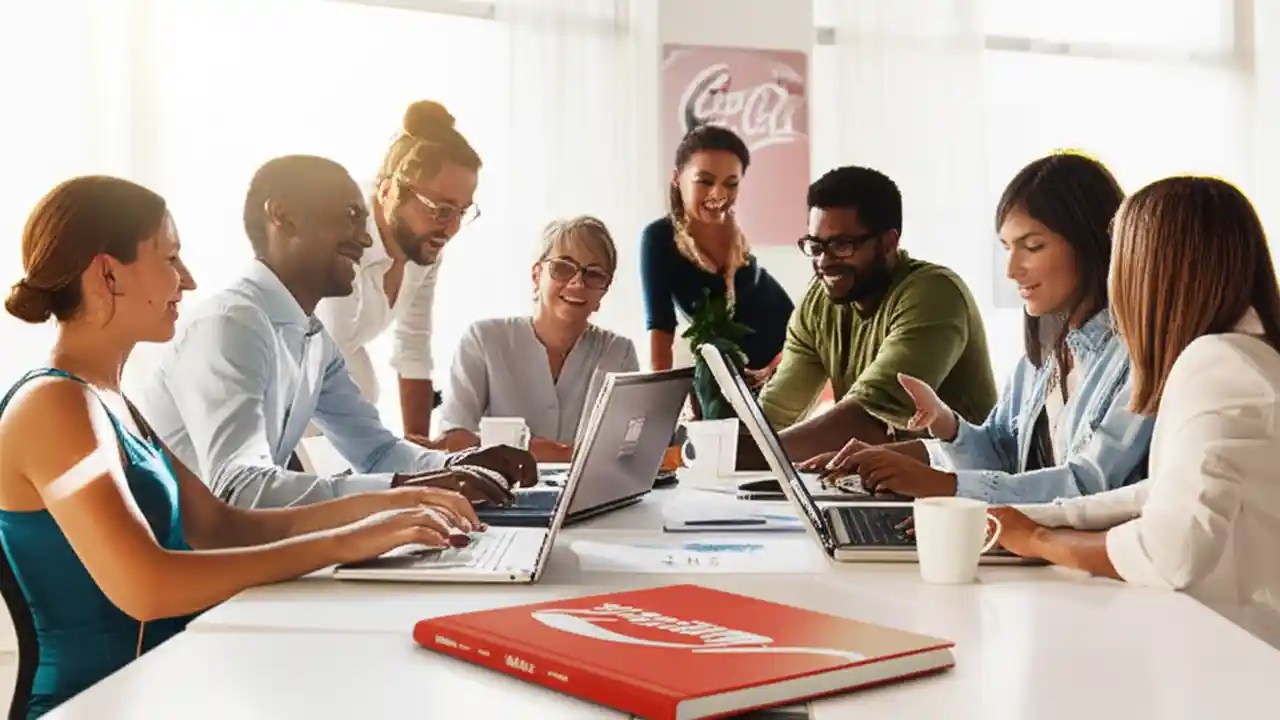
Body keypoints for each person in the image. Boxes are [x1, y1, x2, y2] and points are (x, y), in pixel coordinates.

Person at [0, 176, 482, 718]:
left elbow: (221, 526)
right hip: (95, 705)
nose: (186, 279)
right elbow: (147, 586)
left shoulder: (111, 401)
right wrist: (343, 543)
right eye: (170, 257)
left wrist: (388, 506)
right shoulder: (55, 407)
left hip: (164, 685)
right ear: (107, 272)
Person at [132, 155, 536, 510]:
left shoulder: (312, 339)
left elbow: (378, 452)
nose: (364, 238)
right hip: (194, 572)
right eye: (350, 216)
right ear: (283, 217)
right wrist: (408, 489)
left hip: (245, 561)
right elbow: (239, 490)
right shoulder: (229, 326)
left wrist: (458, 464)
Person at [990, 176, 1280, 650]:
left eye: (1123, 263)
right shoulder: (1238, 355)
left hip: (1247, 658)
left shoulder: (1218, 365)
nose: (1115, 283)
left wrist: (1042, 541)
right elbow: (1166, 493)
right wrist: (1031, 519)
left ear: (1158, 271)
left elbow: (1174, 550)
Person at [804, 153, 1154, 503]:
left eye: (1032, 247)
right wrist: (947, 425)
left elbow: (1090, 486)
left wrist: (944, 485)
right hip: (1025, 545)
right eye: (1007, 248)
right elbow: (1001, 457)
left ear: (1090, 242)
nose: (1012, 269)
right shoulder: (1042, 357)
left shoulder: (1139, 356)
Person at [749, 166, 997, 466]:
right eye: (816, 246)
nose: (824, 262)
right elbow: (776, 411)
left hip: (960, 497)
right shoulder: (819, 301)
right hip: (880, 491)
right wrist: (712, 448)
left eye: (842, 245)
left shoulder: (934, 294)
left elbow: (867, 422)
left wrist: (745, 455)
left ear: (889, 242)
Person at [314, 100, 481, 444]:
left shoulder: (425, 244)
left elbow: (413, 345)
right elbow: (334, 351)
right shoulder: (341, 230)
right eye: (441, 209)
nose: (451, 229)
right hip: (280, 396)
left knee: (363, 385)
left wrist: (419, 447)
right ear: (388, 189)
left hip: (325, 399)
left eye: (462, 212)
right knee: (361, 383)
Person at [435, 216, 638, 462]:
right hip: (499, 494)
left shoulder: (620, 352)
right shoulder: (484, 339)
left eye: (594, 274)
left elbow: (626, 450)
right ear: (536, 276)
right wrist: (554, 453)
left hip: (591, 498)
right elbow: (455, 438)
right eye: (563, 267)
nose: (577, 282)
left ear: (604, 290)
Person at [640, 124, 793, 386]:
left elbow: (783, 317)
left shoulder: (735, 233)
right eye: (705, 181)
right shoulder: (659, 239)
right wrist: (660, 403)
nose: (719, 194)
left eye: (731, 184)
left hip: (787, 366)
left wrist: (782, 367)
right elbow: (661, 326)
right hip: (735, 383)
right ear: (677, 178)